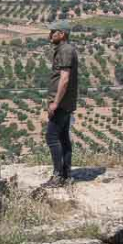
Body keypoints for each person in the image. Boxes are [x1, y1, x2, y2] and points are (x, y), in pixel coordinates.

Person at [43, 20, 78, 188]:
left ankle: (58, 176)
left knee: (51, 137)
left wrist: (55, 103)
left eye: (53, 32)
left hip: (61, 103)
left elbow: (64, 79)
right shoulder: (65, 50)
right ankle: (66, 175)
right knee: (63, 137)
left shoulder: (65, 50)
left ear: (62, 34)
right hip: (66, 102)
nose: (50, 35)